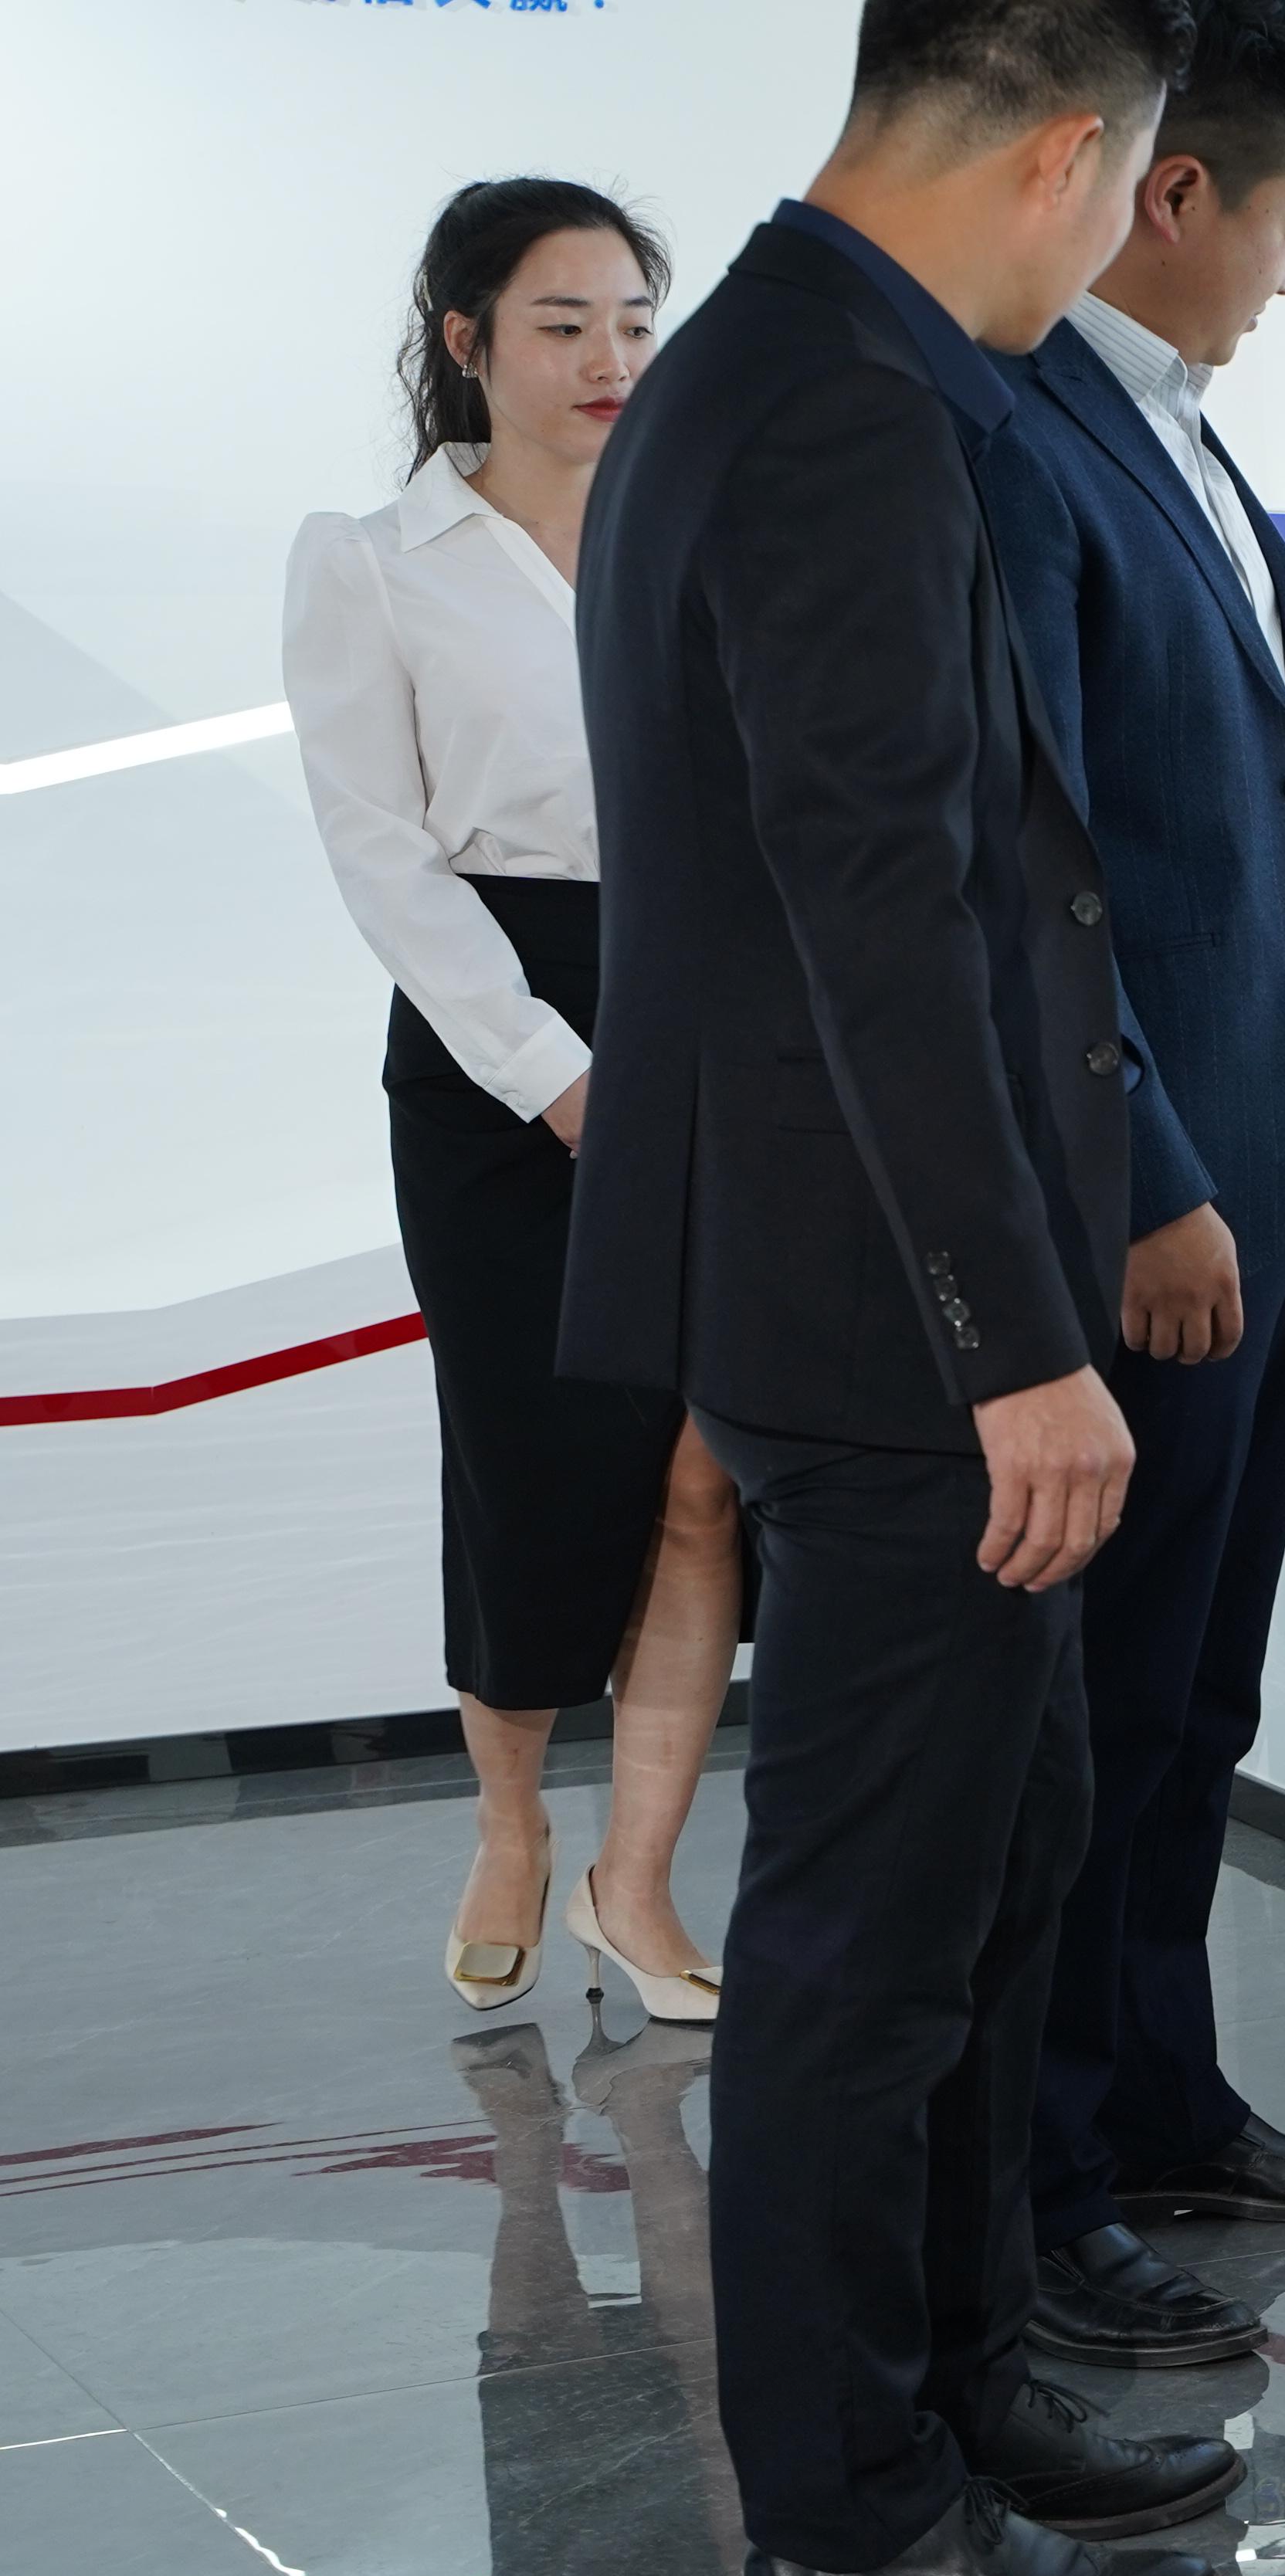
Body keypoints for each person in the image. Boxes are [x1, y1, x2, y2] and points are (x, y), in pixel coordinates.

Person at [560, 0, 1243, 2576]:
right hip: (884, 1314)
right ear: (1072, 153)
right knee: (871, 1923)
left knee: (998, 1851)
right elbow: (879, 911)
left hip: (864, 1281)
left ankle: (959, 2391)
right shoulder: (834, 406)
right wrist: (1007, 1338)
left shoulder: (791, 361)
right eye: (1135, 190)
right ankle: (852, 2496)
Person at [972, 0, 1285, 2371]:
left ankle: (1158, 2101)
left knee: (1196, 1695)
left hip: (1270, 1157)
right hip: (1148, 1203)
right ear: (1175, 197)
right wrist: (1153, 1172)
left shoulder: (1179, 429)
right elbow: (1040, 862)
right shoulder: (1030, 438)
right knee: (1102, 1706)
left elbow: (1262, 805)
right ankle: (1048, 2189)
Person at [283, 182, 744, 2027]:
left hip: (707, 1010)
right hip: (493, 1039)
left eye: (634, 319)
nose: (610, 357)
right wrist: (559, 1077)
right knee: (531, 1467)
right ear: (467, 340)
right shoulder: (372, 556)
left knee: (704, 1471)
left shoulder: (702, 520)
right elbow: (381, 857)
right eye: (564, 324)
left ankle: (639, 1883)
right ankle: (509, 1823)